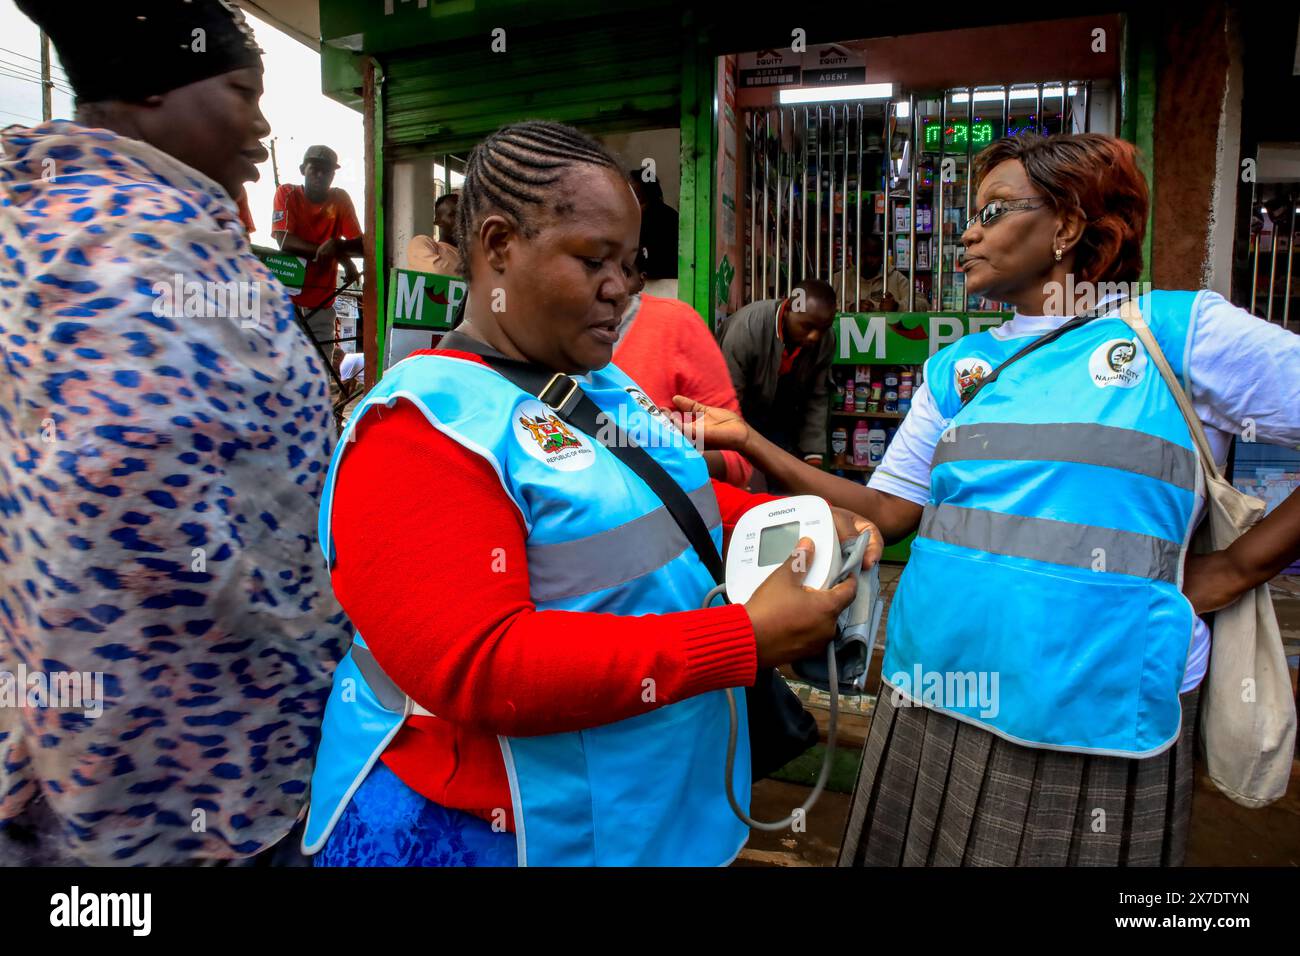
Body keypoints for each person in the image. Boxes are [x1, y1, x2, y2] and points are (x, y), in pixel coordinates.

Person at [675, 133, 1300, 867]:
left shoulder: (1177, 334)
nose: (966, 232)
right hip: (934, 690)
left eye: (994, 211)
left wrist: (1234, 569)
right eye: (971, 214)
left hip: (1090, 710)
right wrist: (750, 441)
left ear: (1067, 226)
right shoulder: (957, 369)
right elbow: (888, 513)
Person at [300, 120, 881, 867]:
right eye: (593, 260)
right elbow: (481, 665)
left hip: (652, 817)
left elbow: (676, 507)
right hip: (501, 832)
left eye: (631, 263)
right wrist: (742, 641)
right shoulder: (418, 430)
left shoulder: (600, 383)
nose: (623, 288)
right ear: (500, 246)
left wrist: (791, 519)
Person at [0, 0, 349, 866]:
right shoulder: (131, 253)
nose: (263, 126)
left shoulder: (40, 221)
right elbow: (141, 525)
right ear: (154, 88)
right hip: (192, 786)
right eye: (242, 89)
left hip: (62, 770)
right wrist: (327, 656)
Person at [612, 259, 754, 488]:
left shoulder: (674, 325)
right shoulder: (537, 345)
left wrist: (670, 455)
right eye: (591, 263)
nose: (611, 285)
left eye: (621, 267)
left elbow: (736, 458)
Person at [716, 279, 837, 479]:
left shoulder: (826, 339)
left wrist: (813, 456)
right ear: (788, 308)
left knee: (785, 486)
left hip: (781, 419)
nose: (815, 336)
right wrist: (736, 453)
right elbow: (729, 397)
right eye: (808, 327)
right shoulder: (747, 328)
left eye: (823, 328)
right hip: (741, 415)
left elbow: (817, 397)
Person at [272, 144, 363, 370]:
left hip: (322, 302)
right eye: (315, 169)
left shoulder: (339, 198)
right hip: (287, 299)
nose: (320, 176)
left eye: (327, 171)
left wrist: (339, 250)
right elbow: (284, 240)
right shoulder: (287, 193)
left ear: (334, 175)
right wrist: (338, 253)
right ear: (303, 169)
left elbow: (361, 245)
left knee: (320, 372)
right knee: (283, 370)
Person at [832, 233, 930, 312]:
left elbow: (923, 304)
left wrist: (897, 307)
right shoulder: (839, 279)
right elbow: (820, 305)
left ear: (883, 258)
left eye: (874, 255)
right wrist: (849, 308)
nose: (868, 260)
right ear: (853, 257)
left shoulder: (895, 278)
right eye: (862, 255)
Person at [628, 168, 678, 298]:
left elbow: (655, 265)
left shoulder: (660, 219)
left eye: (638, 199)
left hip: (663, 289)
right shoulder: (639, 218)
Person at [405, 191, 460, 275]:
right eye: (453, 214)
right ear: (438, 222)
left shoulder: (475, 256)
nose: (461, 219)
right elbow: (437, 270)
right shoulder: (422, 243)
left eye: (465, 214)